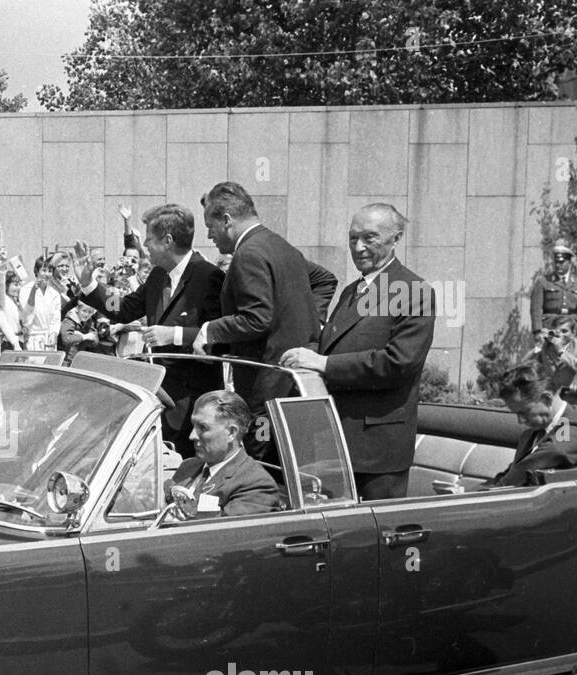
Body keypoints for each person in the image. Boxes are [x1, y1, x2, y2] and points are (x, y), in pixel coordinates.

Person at [280, 203, 434, 500]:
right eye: (353, 238)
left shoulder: (414, 290)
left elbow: (398, 363)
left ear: (395, 238)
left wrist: (322, 363)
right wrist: (303, 354)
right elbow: (332, 345)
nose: (359, 247)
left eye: (370, 238)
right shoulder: (352, 290)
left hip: (378, 452)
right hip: (336, 442)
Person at [78, 203, 225, 453]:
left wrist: (175, 335)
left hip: (194, 404)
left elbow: (222, 335)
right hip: (160, 397)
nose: (144, 246)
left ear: (167, 241)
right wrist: (89, 284)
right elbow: (123, 307)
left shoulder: (209, 276)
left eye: (149, 240)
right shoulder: (157, 275)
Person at [189, 182, 334, 418]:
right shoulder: (280, 245)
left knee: (262, 451)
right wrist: (307, 324)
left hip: (266, 387)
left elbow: (257, 318)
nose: (208, 235)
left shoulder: (248, 254)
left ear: (226, 220)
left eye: (210, 226)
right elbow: (324, 280)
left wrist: (209, 330)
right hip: (292, 382)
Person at [485, 363, 577, 488]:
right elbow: (512, 472)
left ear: (547, 399)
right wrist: (475, 493)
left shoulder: (575, 421)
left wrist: (492, 492)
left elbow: (555, 450)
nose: (520, 421)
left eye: (525, 412)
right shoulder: (532, 434)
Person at [169, 390, 280, 518]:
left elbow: (218, 533)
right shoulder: (188, 466)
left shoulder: (256, 486)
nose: (192, 436)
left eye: (203, 428)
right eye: (193, 426)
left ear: (231, 433)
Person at [529, 242, 577, 338]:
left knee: (571, 353)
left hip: (571, 329)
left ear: (569, 263)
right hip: (549, 329)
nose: (558, 265)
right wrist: (537, 331)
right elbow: (535, 309)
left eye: (562, 262)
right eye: (556, 262)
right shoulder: (543, 281)